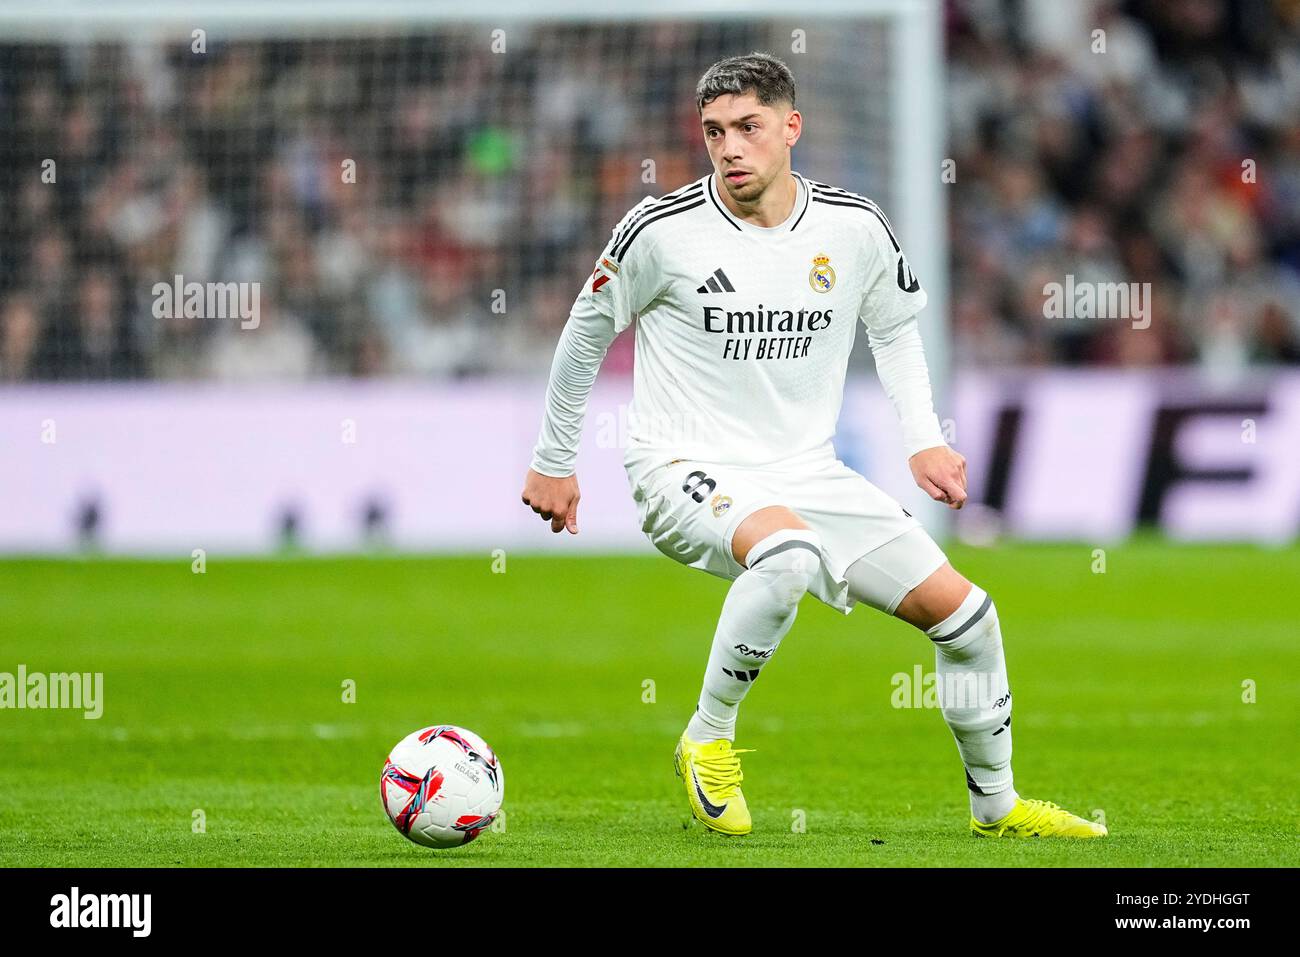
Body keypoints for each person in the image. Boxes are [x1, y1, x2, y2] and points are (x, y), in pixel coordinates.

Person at [522, 53, 1105, 839]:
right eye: (714, 132)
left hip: (807, 473)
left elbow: (894, 328)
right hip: (679, 463)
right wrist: (556, 460)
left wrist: (925, 441)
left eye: (748, 128)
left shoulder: (853, 227)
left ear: (791, 127)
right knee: (788, 553)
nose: (730, 148)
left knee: (970, 618)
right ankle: (708, 733)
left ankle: (997, 807)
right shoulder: (660, 232)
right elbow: (581, 337)